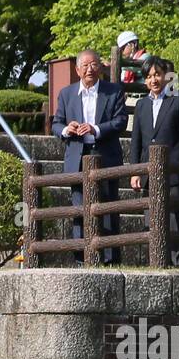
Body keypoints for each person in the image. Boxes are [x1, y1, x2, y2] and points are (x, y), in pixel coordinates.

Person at [53, 48, 128, 264]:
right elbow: (56, 124)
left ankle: (110, 259)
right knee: (79, 209)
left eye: (94, 64)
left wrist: (95, 128)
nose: (89, 69)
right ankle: (81, 258)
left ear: (101, 68)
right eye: (85, 65)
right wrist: (68, 129)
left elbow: (120, 121)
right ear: (77, 70)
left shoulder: (113, 91)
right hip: (77, 156)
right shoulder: (66, 93)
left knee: (109, 207)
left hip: (104, 154)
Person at [128, 56, 179, 267]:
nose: (153, 80)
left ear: (166, 76)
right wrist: (135, 170)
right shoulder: (141, 105)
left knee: (176, 216)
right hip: (148, 171)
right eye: (149, 76)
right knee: (151, 216)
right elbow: (136, 141)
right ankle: (157, 260)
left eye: (157, 75)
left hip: (175, 168)